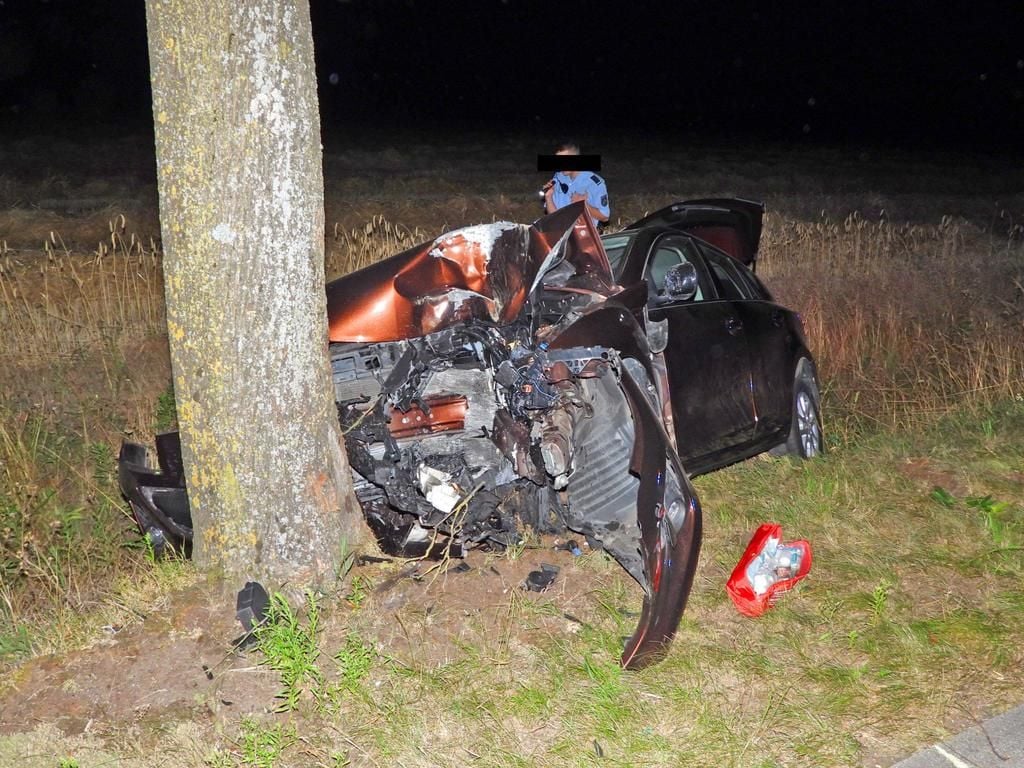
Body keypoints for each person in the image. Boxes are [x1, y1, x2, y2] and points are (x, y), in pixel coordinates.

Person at [542, 141, 610, 228]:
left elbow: (605, 217)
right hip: (560, 232)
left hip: (583, 236)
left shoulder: (594, 183)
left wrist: (583, 205)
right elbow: (555, 216)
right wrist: (548, 197)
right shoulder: (559, 177)